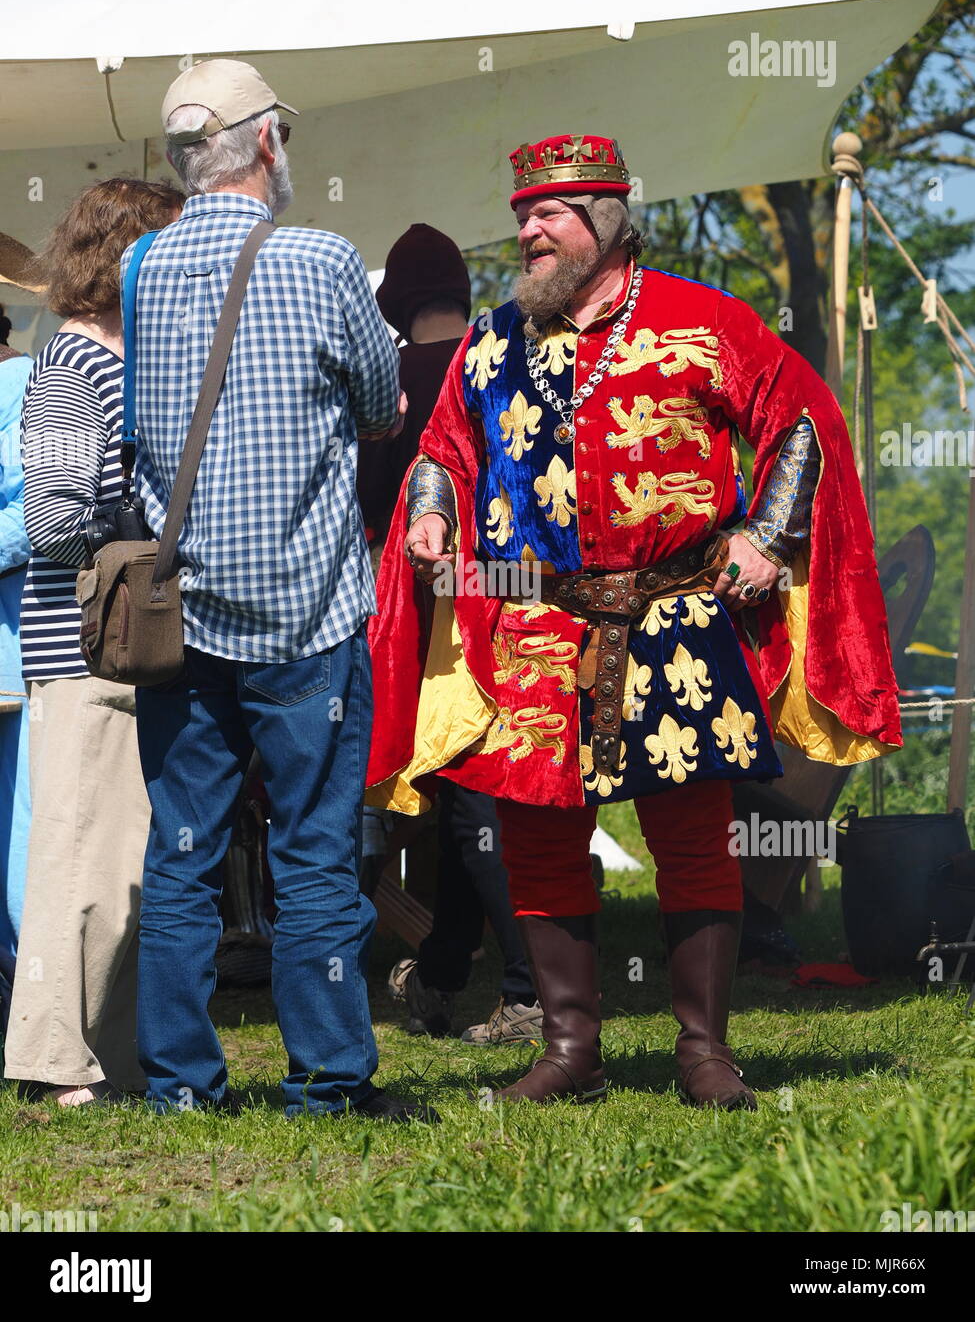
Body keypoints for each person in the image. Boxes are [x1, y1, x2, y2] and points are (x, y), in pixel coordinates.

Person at [366, 132, 902, 1109]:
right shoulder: (491, 343)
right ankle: (572, 1049)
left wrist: (766, 537)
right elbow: (443, 445)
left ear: (607, 223)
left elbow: (800, 420)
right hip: (535, 623)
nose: (529, 228)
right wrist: (435, 510)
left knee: (692, 832)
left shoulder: (702, 322)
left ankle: (705, 1052)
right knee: (535, 838)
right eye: (524, 213)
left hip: (676, 615)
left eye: (552, 213)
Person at [128, 58, 423, 1121]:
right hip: (305, 612)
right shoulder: (322, 259)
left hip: (184, 613)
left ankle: (179, 1086)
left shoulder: (142, 271)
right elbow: (386, 404)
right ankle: (329, 1080)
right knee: (312, 855)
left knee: (184, 854)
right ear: (264, 143)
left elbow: (135, 435)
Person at [4, 179, 185, 1105]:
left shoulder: (128, 354)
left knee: (119, 860)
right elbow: (51, 520)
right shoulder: (78, 357)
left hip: (118, 635)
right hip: (82, 637)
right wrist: (153, 520)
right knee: (78, 852)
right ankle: (51, 1060)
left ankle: (101, 1059)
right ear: (124, 253)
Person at [357, 224, 541, 1044]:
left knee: (463, 802)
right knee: (476, 792)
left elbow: (364, 515)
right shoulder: (509, 365)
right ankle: (441, 973)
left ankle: (531, 987)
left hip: (421, 619)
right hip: (508, 604)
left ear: (395, 304)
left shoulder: (386, 381)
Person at [0, 292, 33, 1041]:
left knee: (23, 825)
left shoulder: (25, 382)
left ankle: (34, 1013)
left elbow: (40, 511)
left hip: (16, 645)